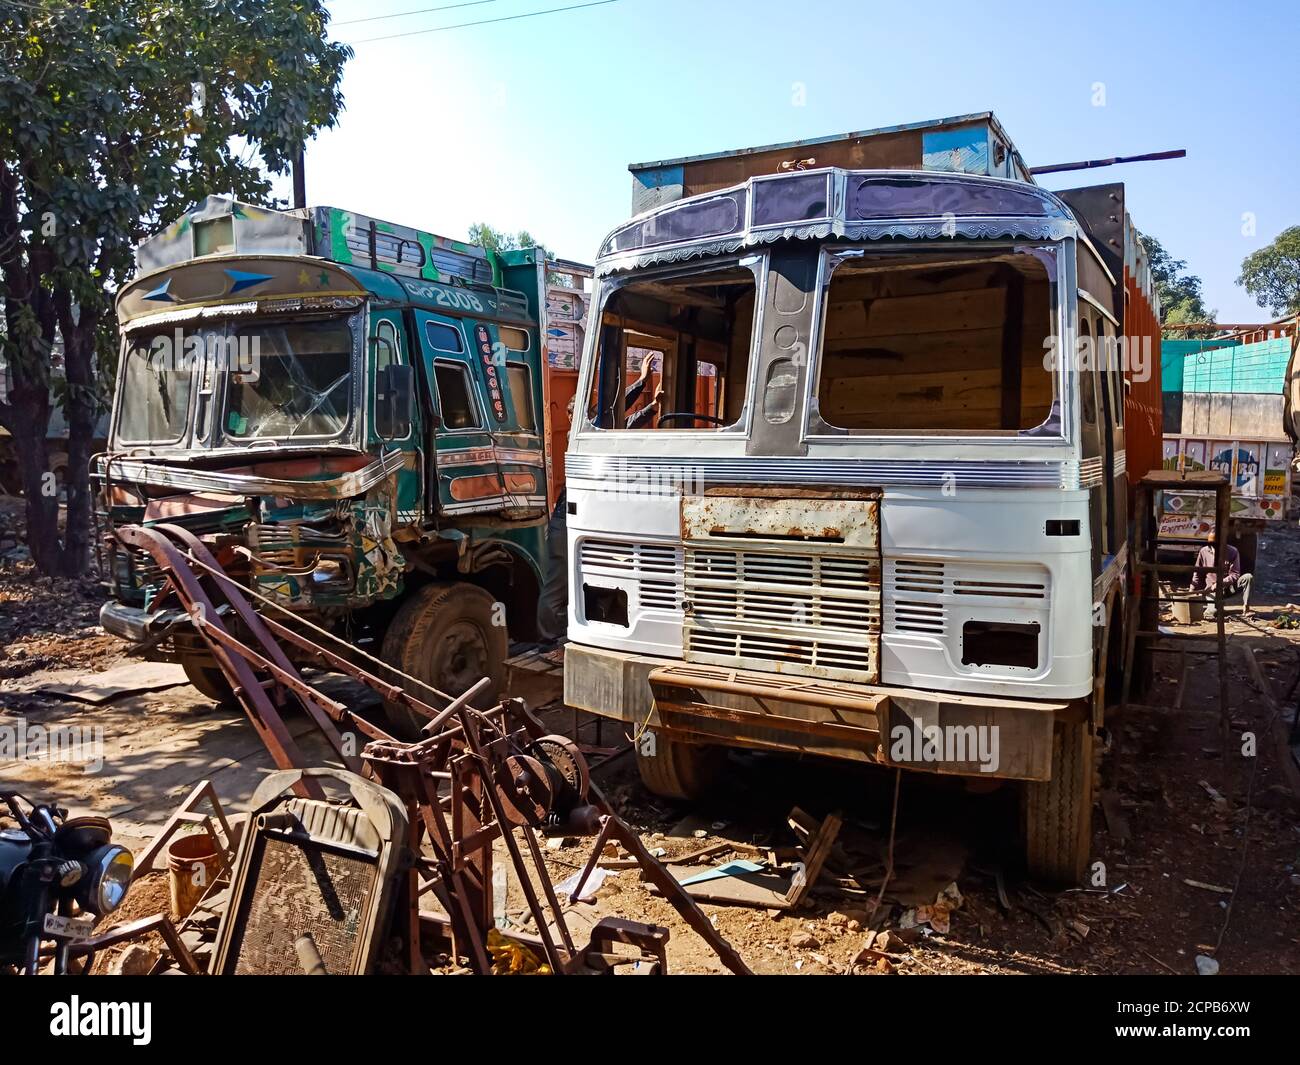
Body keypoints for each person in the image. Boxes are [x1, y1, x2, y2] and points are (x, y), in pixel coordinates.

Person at [1189, 541, 1253, 620]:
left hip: (1228, 588)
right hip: (1212, 591)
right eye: (1212, 547)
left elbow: (1235, 574)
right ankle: (1212, 608)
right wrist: (1192, 589)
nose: (1215, 550)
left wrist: (1220, 583)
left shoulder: (1233, 551)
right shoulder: (1203, 551)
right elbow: (1197, 572)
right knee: (1212, 612)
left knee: (1248, 577)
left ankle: (1246, 608)